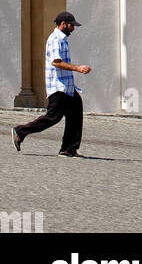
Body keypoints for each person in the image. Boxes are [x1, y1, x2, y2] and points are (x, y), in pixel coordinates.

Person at [10, 12, 91, 157]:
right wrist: (78, 68)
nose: (73, 28)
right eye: (71, 25)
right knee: (52, 117)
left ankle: (68, 149)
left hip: (67, 87)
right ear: (63, 24)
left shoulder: (63, 39)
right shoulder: (55, 39)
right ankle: (20, 131)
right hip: (58, 87)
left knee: (76, 112)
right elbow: (56, 62)